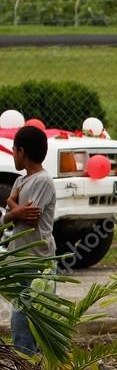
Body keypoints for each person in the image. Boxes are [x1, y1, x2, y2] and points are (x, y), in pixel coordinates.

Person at [2, 125, 56, 355]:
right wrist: (15, 210)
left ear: (22, 152)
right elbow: (11, 211)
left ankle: (30, 365)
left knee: (31, 317)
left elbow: (32, 218)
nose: (13, 154)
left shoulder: (42, 181)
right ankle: (28, 366)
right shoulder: (20, 182)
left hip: (37, 261)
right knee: (21, 316)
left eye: (13, 150)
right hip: (21, 261)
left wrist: (13, 209)